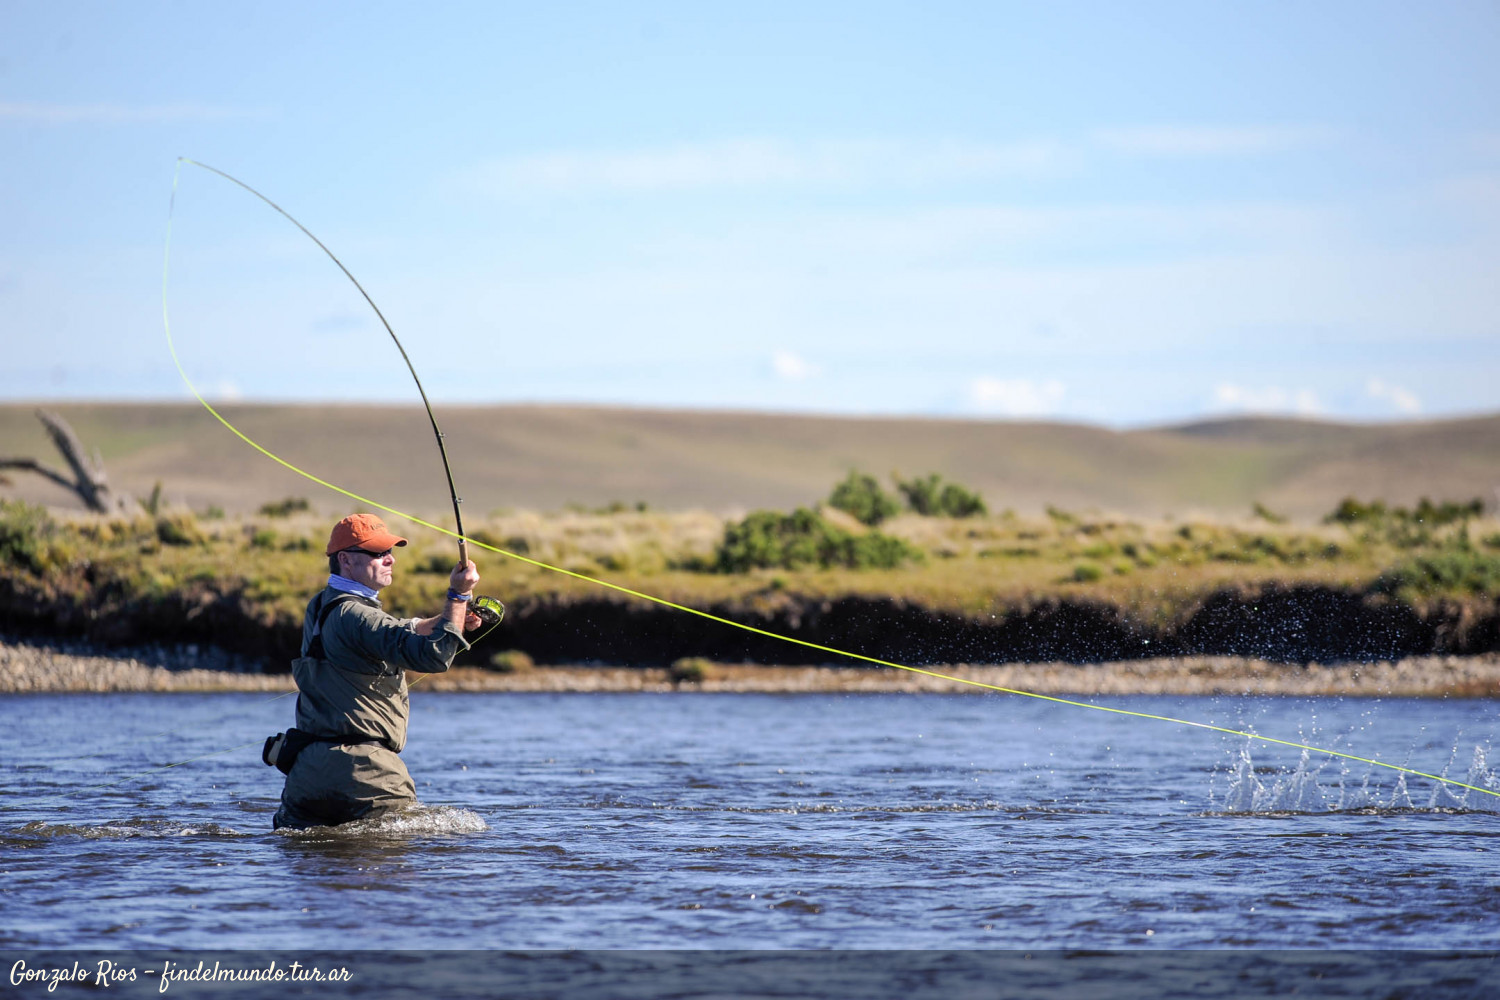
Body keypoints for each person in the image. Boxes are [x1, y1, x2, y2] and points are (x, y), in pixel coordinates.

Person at [272, 512, 480, 830]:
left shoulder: (321, 605)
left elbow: (397, 630)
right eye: (378, 553)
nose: (390, 560)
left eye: (390, 552)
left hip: (307, 774)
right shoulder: (357, 615)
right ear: (346, 559)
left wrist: (451, 619)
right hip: (367, 773)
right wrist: (458, 595)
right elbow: (434, 657)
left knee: (312, 863)